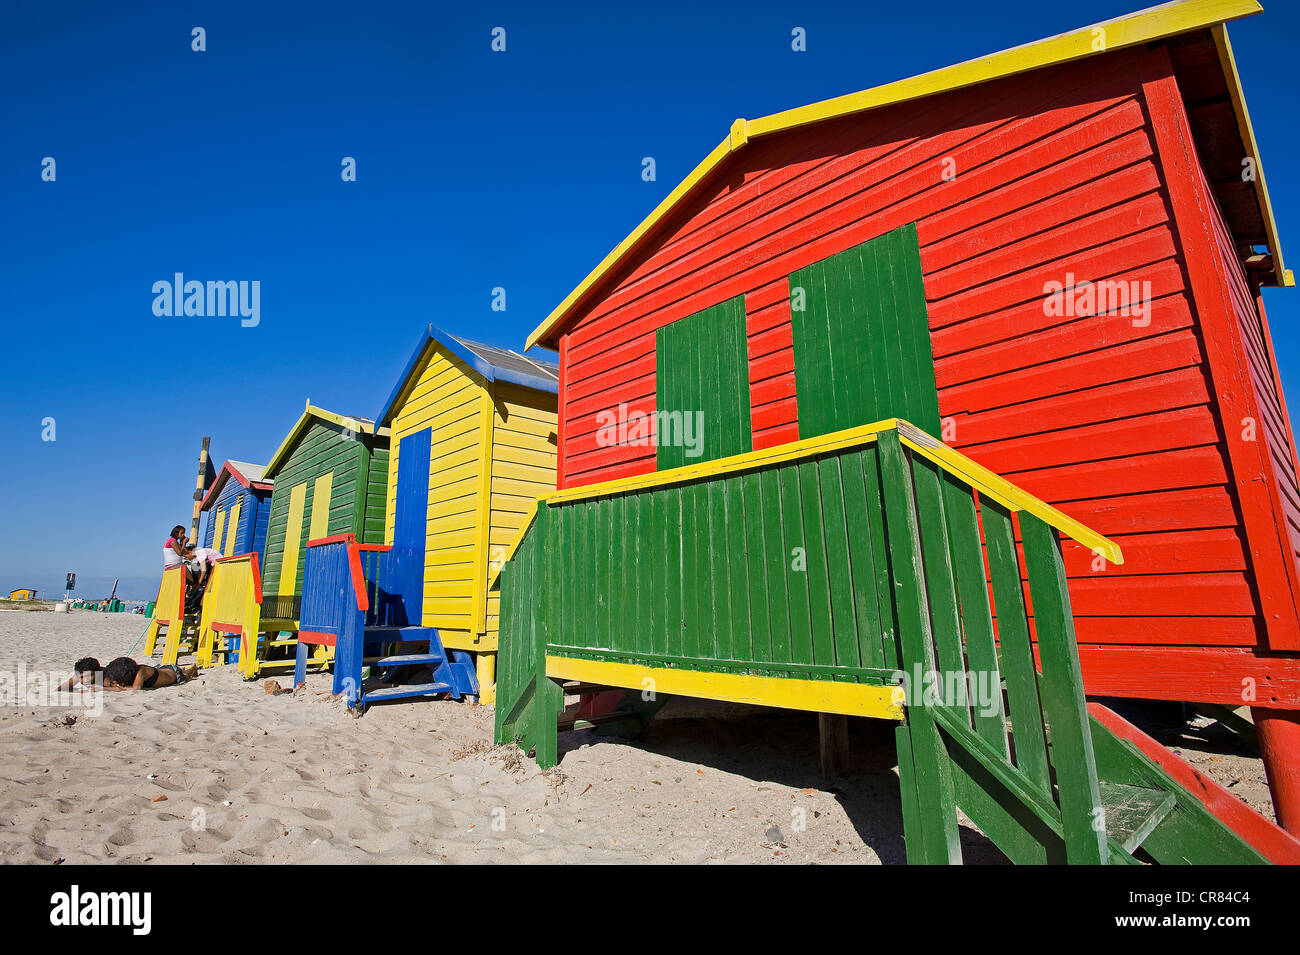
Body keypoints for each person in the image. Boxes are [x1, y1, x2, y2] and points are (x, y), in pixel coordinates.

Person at [102, 656, 197, 691]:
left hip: (175, 674)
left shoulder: (140, 672)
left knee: (186, 675)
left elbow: (136, 688)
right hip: (160, 669)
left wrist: (112, 687)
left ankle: (193, 668)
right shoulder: (133, 672)